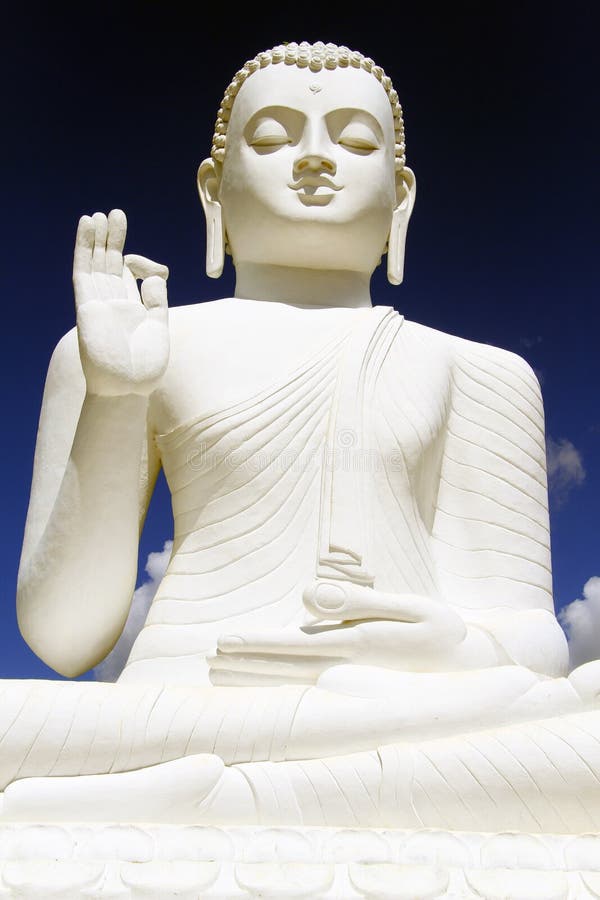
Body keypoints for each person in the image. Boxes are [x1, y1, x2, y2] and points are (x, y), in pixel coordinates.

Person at [4, 42, 599, 829]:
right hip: (181, 707)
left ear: (401, 197)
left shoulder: (482, 371)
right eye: (275, 137)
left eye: (355, 142)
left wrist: (442, 645)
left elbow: (533, 642)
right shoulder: (127, 345)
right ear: (213, 192)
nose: (315, 160)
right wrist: (115, 394)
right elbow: (63, 639)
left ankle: (202, 803)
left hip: (413, 706)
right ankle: (213, 792)